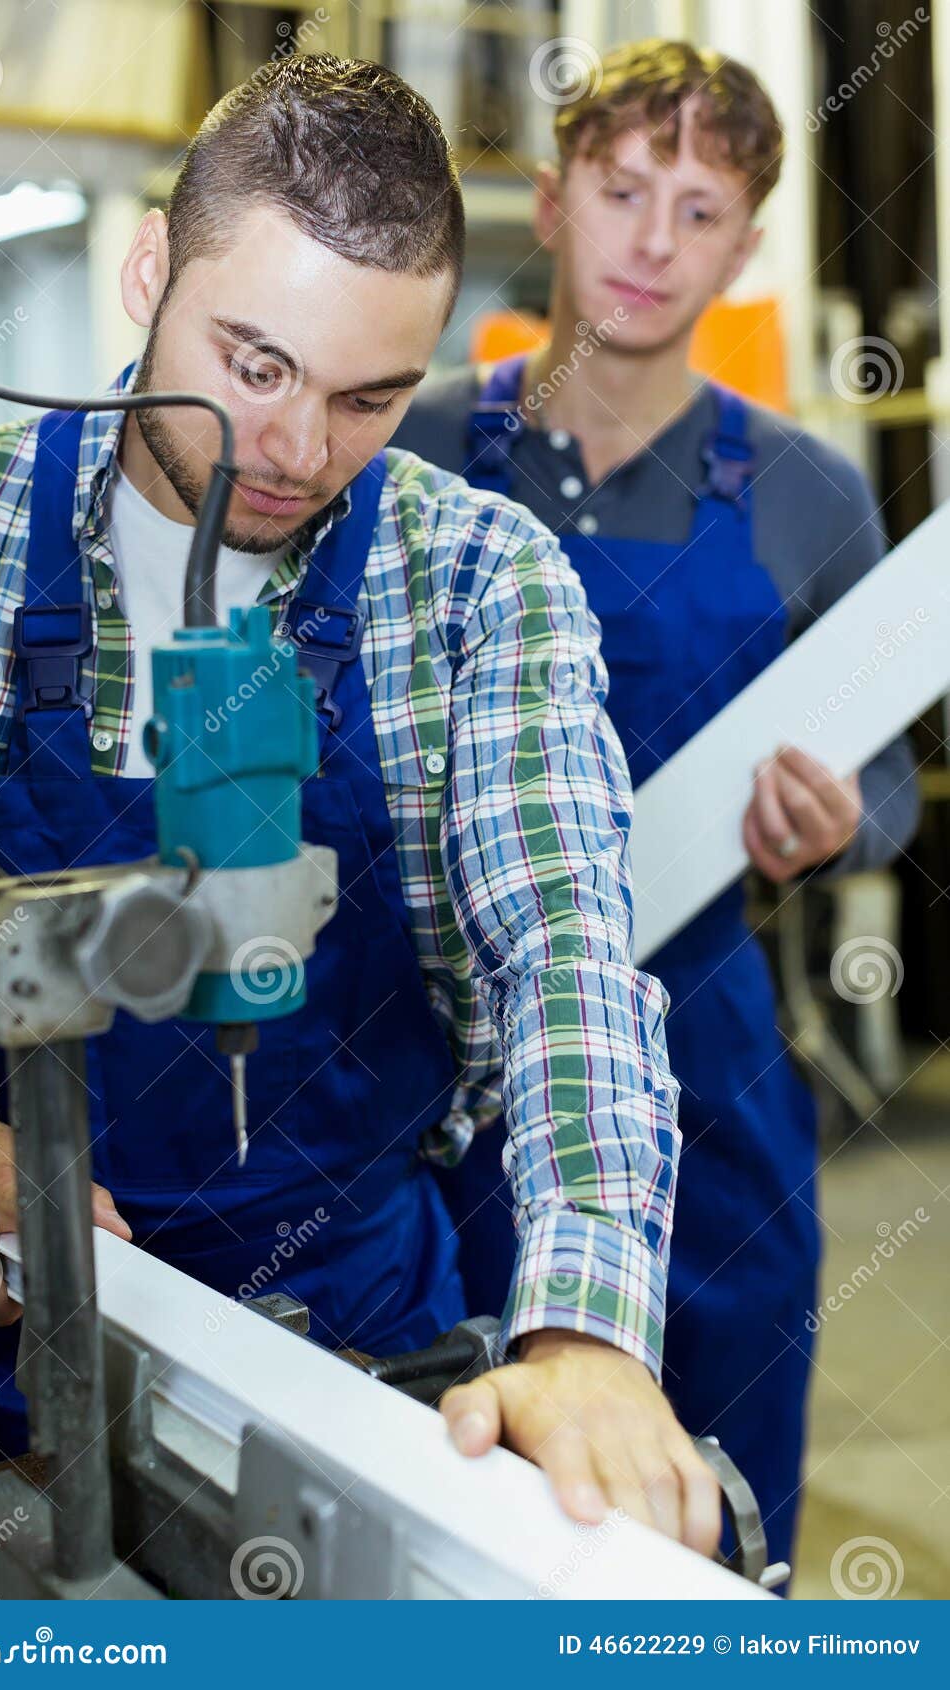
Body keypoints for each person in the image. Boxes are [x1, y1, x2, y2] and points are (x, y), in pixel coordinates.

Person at [0, 56, 720, 1553]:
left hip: (349, 1329)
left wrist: (588, 1329)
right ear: (150, 268)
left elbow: (565, 956)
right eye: (253, 365)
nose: (293, 452)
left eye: (368, 398)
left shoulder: (479, 579)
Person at [392, 38, 919, 1568]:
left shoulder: (811, 488)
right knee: (489, 1469)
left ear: (748, 244)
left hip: (716, 1042)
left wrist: (836, 822)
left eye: (699, 210)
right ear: (553, 203)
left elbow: (888, 797)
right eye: (623, 191)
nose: (652, 241)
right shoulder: (417, 449)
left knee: (731, 1450)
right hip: (453, 1043)